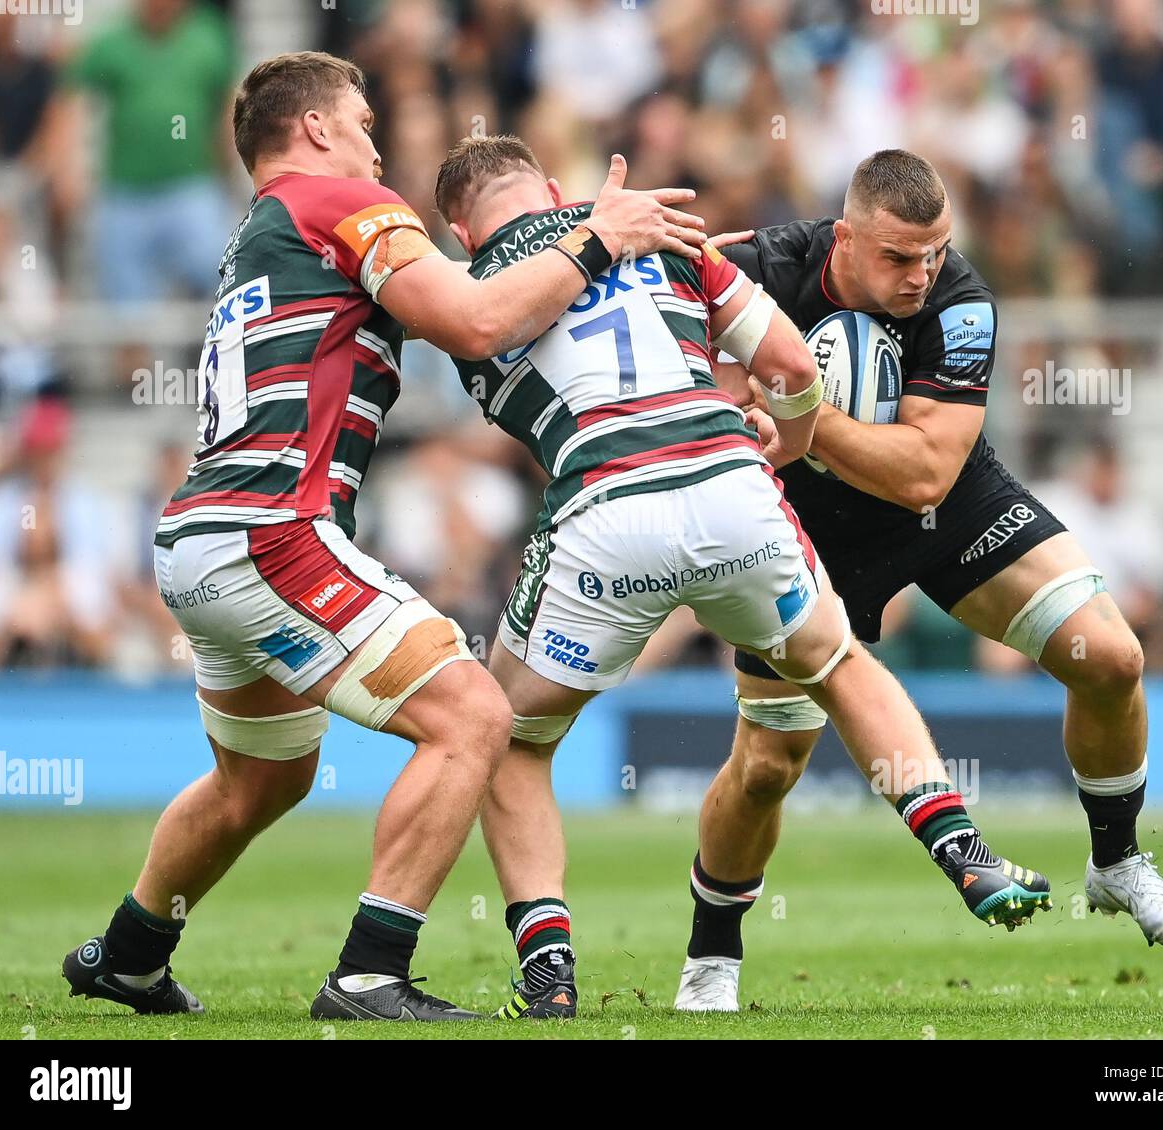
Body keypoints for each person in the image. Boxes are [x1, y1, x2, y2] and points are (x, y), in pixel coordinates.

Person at [61, 50, 707, 1024]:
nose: (374, 141)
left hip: (203, 536)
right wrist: (596, 239)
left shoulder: (260, 238)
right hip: (272, 529)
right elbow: (477, 321)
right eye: (361, 121)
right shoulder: (339, 204)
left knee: (263, 775)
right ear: (315, 130)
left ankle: (131, 952)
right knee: (474, 715)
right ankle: (368, 970)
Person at [435, 135, 1052, 1021]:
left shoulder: (463, 294)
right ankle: (959, 843)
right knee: (839, 665)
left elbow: (486, 339)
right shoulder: (662, 235)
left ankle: (549, 968)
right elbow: (794, 367)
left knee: (511, 737)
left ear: (462, 230)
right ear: (555, 188)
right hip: (733, 487)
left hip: (606, 512)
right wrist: (789, 440)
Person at [677, 148, 1163, 1010]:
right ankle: (712, 960)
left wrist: (804, 415)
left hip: (941, 504)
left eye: (934, 252)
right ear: (843, 238)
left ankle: (1117, 861)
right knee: (769, 766)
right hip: (801, 531)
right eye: (897, 257)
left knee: (1111, 656)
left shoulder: (962, 301)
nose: (922, 274)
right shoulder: (757, 270)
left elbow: (925, 472)